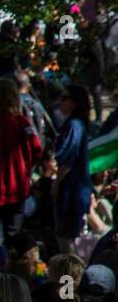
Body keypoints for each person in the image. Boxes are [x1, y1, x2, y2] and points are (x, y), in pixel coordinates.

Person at [0, 77, 44, 244]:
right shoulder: (23, 122)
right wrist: (24, 169)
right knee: (14, 236)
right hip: (18, 191)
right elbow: (37, 149)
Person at [51, 85, 93, 255]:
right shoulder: (75, 124)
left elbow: (67, 161)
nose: (60, 102)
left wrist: (56, 184)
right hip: (75, 192)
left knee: (68, 244)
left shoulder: (74, 126)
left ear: (75, 102)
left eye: (65, 98)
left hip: (72, 193)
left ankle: (69, 279)